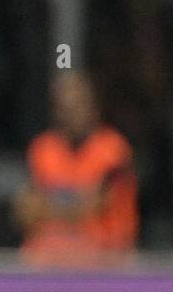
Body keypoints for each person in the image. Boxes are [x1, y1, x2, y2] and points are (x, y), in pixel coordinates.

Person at [14, 71, 138, 266]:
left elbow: (98, 203)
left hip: (105, 257)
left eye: (77, 105)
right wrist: (77, 204)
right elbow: (25, 211)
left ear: (93, 106)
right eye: (63, 108)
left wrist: (48, 208)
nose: (69, 113)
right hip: (49, 257)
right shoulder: (42, 148)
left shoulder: (112, 148)